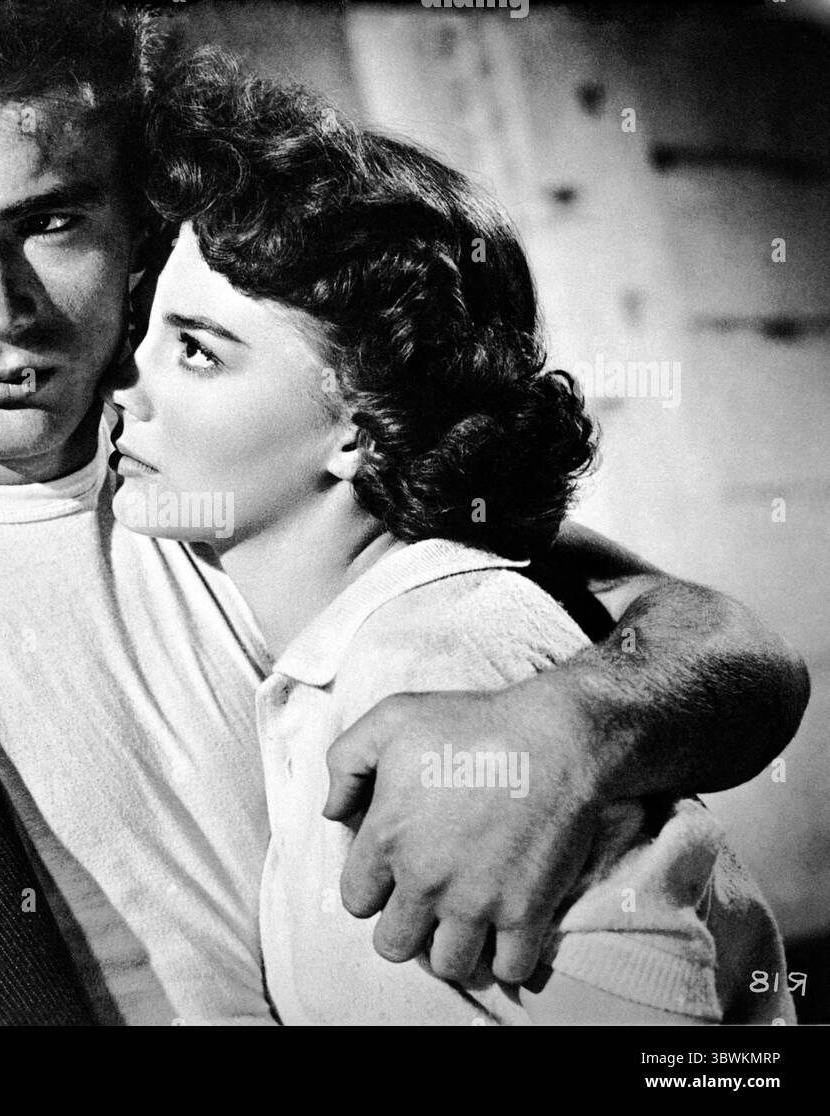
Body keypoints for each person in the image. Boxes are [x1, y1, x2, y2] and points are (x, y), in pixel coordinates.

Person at [0, 0, 808, 1026]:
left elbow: (724, 646)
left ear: (130, 224)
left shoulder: (233, 477)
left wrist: (571, 725)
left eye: (49, 223)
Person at [109, 52, 796, 1024]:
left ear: (358, 425)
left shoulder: (444, 660)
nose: (124, 386)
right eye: (146, 334)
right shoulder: (353, 643)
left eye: (195, 350)